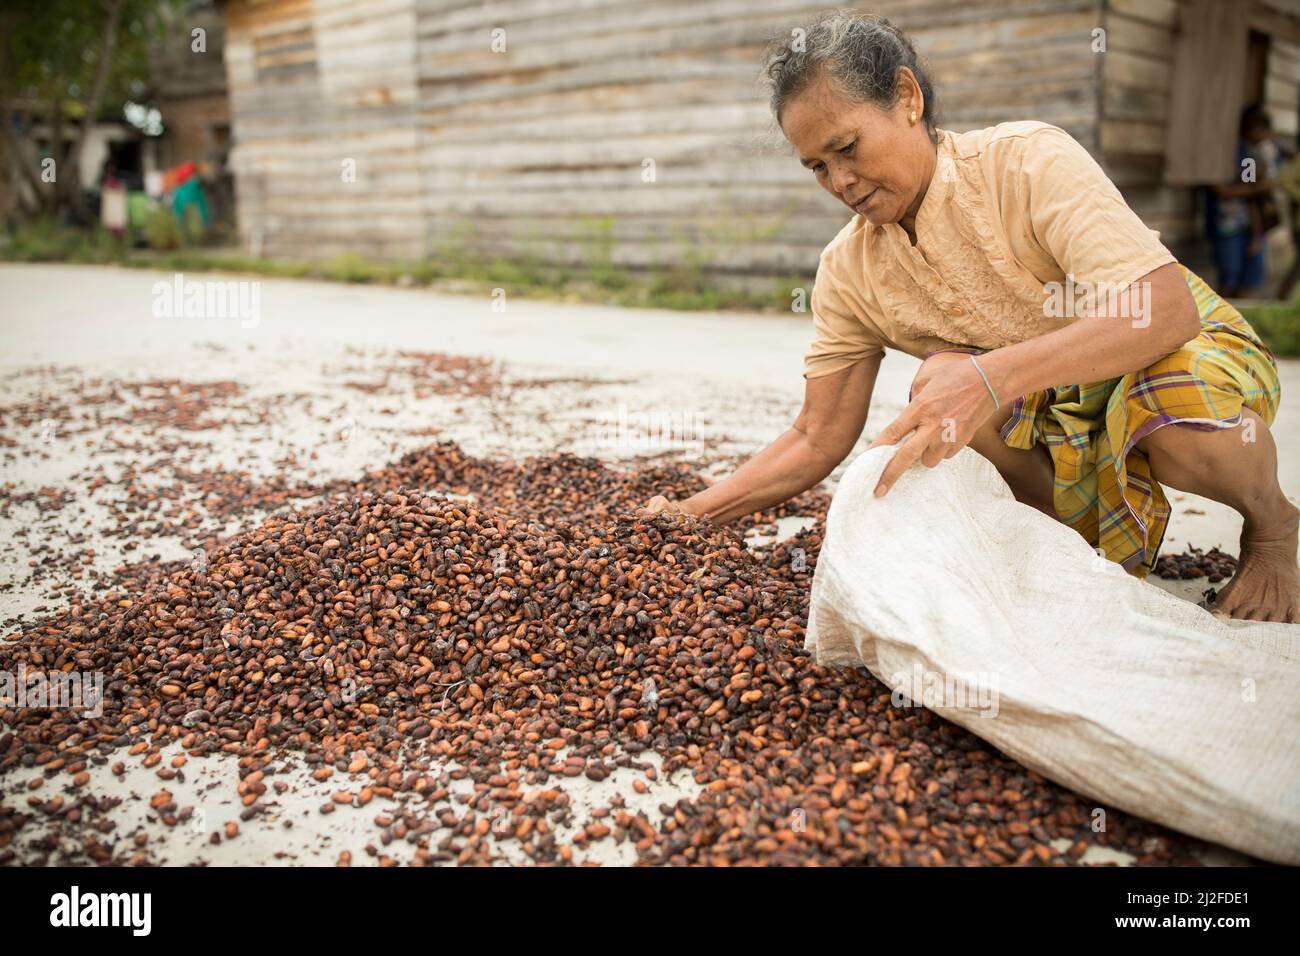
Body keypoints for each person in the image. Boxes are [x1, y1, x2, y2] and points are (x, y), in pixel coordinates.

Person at [640, 11, 1297, 623]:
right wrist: (698, 513)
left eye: (847, 148)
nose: (839, 181)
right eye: (817, 166)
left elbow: (1163, 310)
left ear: (907, 99)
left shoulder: (1028, 161)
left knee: (1170, 407)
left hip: (1173, 352)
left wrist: (990, 377)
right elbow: (817, 434)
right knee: (940, 380)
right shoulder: (848, 270)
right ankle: (1064, 547)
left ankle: (1274, 526)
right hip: (1058, 404)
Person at [1206, 105, 1280, 298]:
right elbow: (1246, 189)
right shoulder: (1240, 152)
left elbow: (1250, 189)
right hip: (1230, 221)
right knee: (1230, 274)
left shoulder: (1255, 152)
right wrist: (1257, 186)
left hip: (1245, 222)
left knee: (1245, 275)